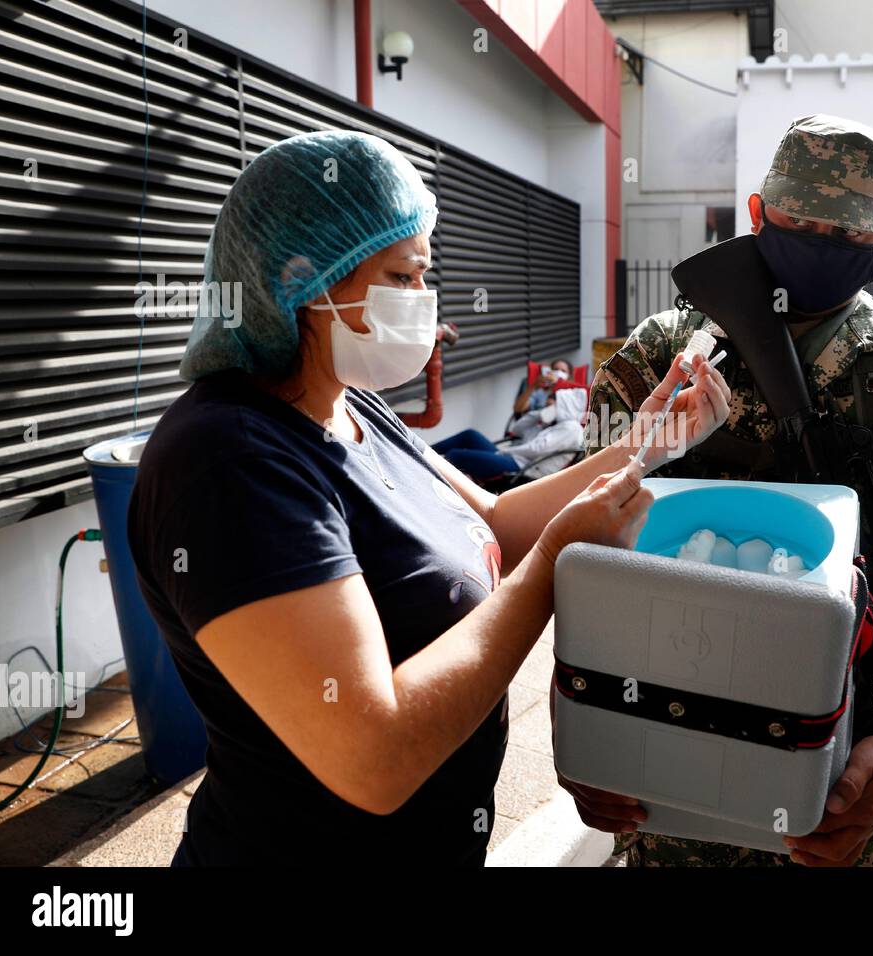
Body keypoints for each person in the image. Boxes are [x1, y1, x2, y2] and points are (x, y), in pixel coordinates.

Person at [126, 130, 731, 867]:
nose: (424, 301)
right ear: (303, 279)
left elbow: (497, 525)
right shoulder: (227, 461)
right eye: (403, 275)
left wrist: (646, 442)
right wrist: (554, 564)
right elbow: (372, 755)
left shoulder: (351, 406)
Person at [569, 114, 873, 867]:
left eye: (848, 237)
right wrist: (579, 728)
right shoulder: (665, 351)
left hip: (836, 773)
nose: (822, 246)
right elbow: (584, 538)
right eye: (802, 223)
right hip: (665, 759)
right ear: (757, 215)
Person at [433, 387, 587, 480]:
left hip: (523, 468)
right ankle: (422, 449)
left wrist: (505, 451)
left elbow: (536, 450)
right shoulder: (550, 423)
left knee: (456, 455)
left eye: (551, 403)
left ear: (564, 406)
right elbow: (517, 429)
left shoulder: (571, 429)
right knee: (470, 435)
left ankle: (425, 466)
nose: (547, 405)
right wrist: (538, 415)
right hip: (513, 457)